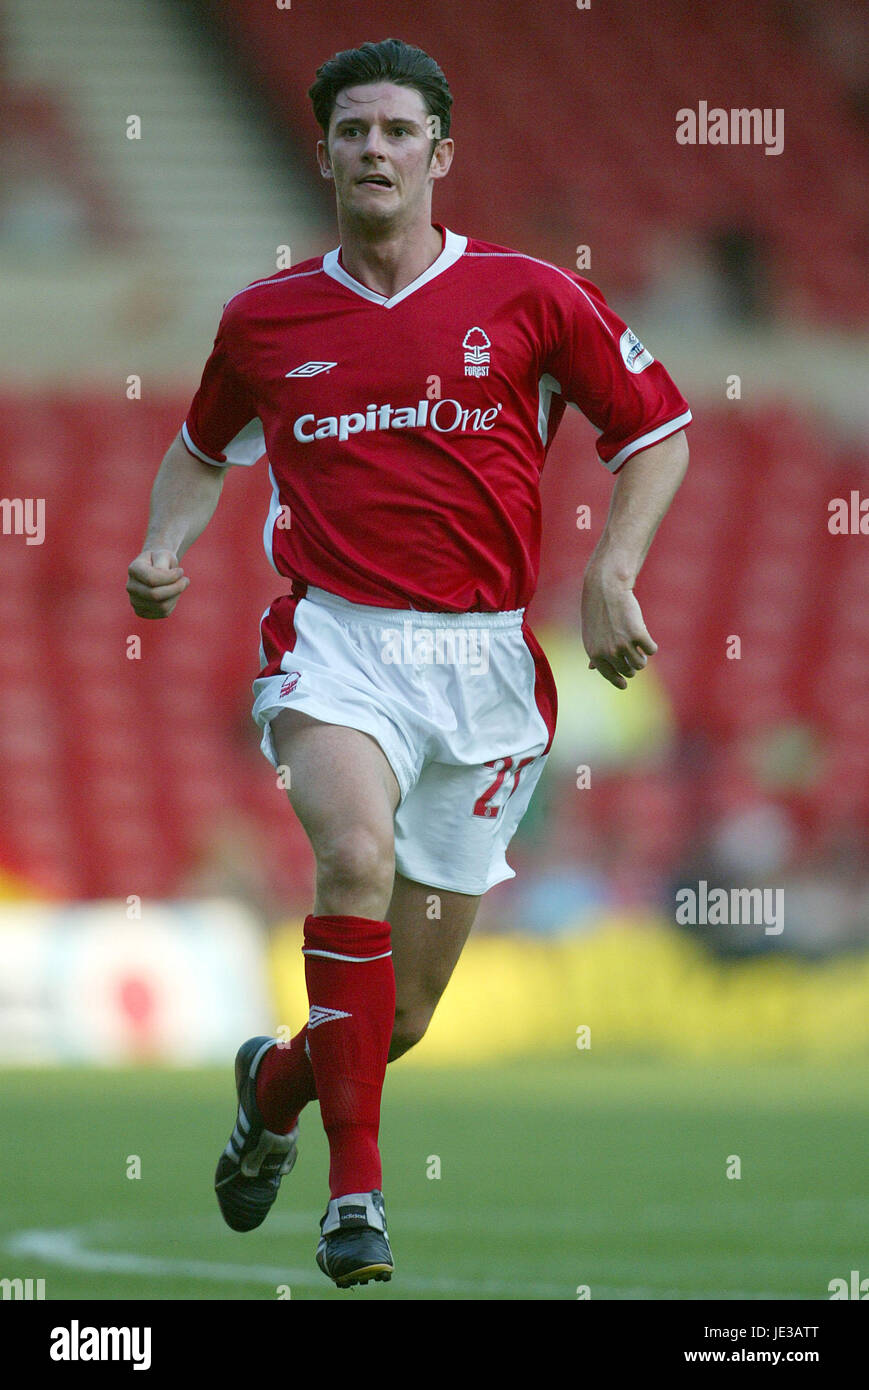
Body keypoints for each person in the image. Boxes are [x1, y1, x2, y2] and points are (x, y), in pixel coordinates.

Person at [126, 37, 691, 1290]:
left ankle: (274, 1091)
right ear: (322, 150)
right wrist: (164, 542)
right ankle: (356, 1200)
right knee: (351, 855)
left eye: (397, 131)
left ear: (440, 153)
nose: (372, 149)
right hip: (335, 640)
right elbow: (198, 444)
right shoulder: (266, 319)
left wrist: (610, 573)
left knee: (405, 1019)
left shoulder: (531, 295)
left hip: (486, 665)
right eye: (351, 131)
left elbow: (655, 431)